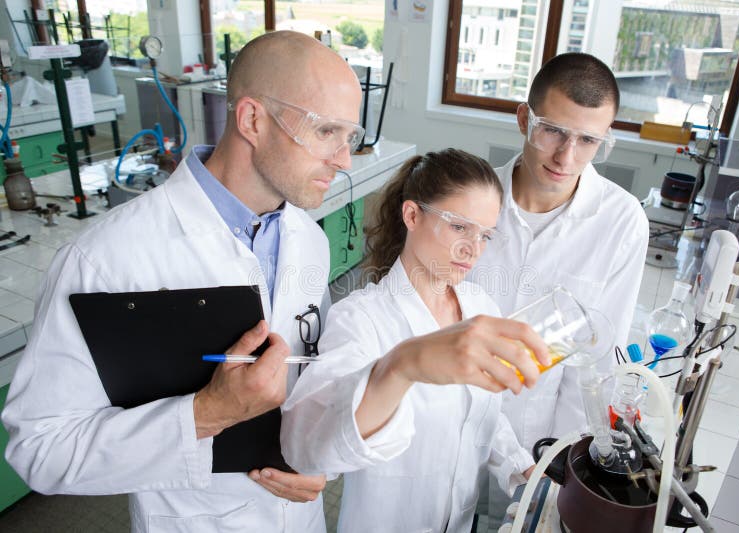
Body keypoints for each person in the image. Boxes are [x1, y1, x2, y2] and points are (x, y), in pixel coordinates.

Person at [2, 31, 364, 532]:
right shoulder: (104, 258)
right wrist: (204, 414)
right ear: (253, 120)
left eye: (351, 137)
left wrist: (317, 456)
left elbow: (309, 376)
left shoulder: (308, 239)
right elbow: (40, 450)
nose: (344, 160)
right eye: (326, 132)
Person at [281, 149, 549, 533]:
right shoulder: (361, 318)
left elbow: (481, 414)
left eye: (485, 235)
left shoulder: (480, 307)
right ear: (412, 215)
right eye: (460, 227)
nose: (473, 249)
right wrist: (402, 365)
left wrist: (521, 468)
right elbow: (318, 441)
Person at [469, 53, 649, 528]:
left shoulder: (621, 222)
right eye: (553, 131)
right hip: (452, 422)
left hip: (540, 445)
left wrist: (568, 462)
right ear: (525, 119)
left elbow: (597, 357)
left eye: (589, 140)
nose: (565, 157)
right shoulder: (470, 202)